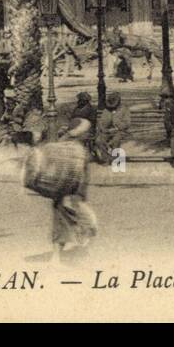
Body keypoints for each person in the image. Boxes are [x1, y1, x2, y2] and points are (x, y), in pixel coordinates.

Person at [50, 119, 97, 259]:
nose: (88, 134)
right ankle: (61, 258)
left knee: (64, 226)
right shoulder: (73, 149)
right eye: (86, 131)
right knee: (85, 224)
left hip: (70, 195)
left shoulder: (72, 145)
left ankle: (59, 257)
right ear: (79, 132)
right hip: (70, 196)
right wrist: (71, 197)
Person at [94, 92, 131, 165]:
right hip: (107, 131)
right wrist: (104, 129)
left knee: (115, 141)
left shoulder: (124, 109)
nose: (112, 106)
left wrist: (117, 127)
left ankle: (115, 159)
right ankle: (106, 158)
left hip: (120, 131)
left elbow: (127, 123)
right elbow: (101, 122)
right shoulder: (106, 110)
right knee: (99, 141)